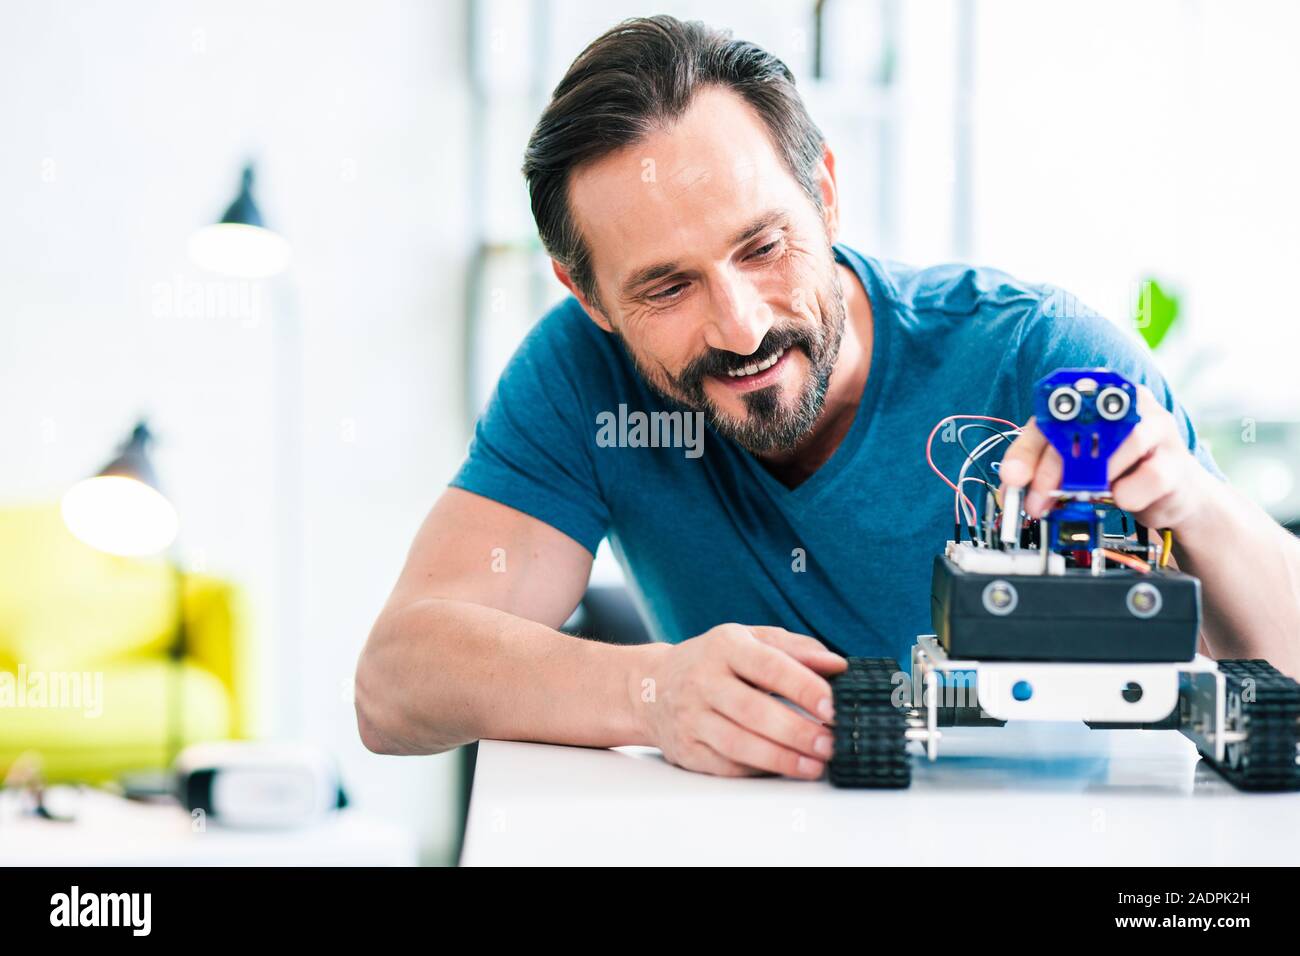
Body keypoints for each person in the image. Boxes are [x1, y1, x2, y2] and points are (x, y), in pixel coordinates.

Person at [356, 15, 1300, 780]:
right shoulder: (578, 377)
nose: (740, 327)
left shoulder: (1040, 356)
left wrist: (1195, 508)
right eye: (666, 288)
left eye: (763, 248)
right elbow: (397, 683)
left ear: (829, 195)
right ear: (587, 296)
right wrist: (653, 689)